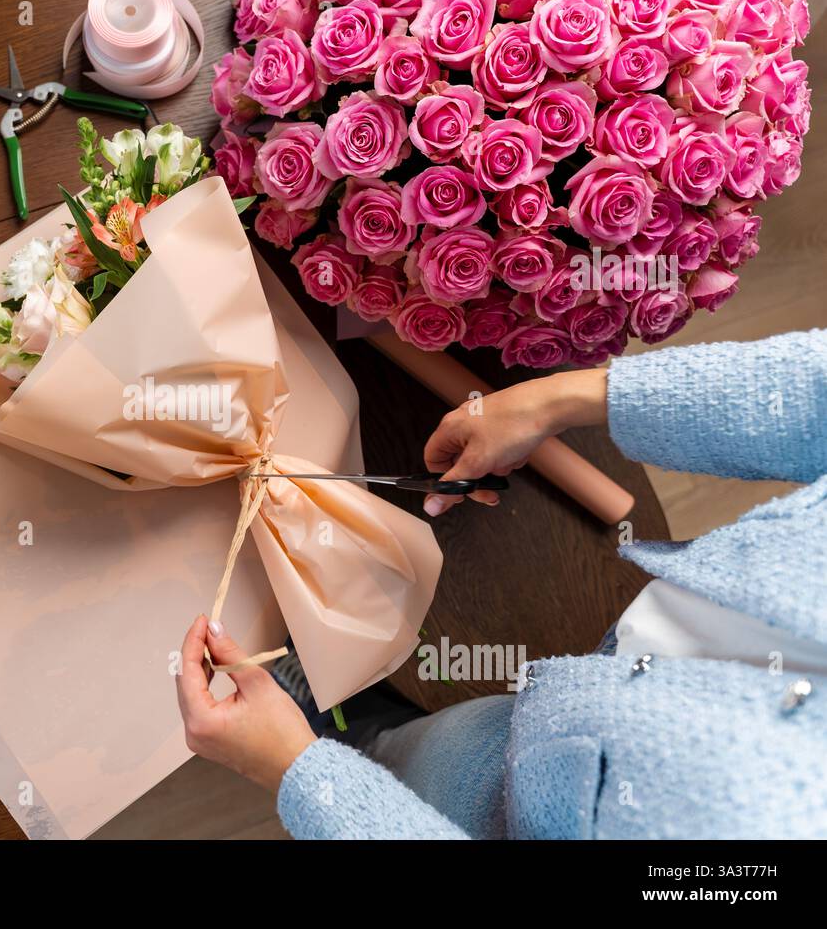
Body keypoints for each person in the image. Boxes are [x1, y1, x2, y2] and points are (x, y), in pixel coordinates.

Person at [176, 330, 827, 838]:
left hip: (519, 809)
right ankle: (357, 723)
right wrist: (559, 401)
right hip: (576, 704)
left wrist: (297, 771)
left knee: (395, 761)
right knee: (419, 738)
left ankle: (339, 734)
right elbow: (813, 391)